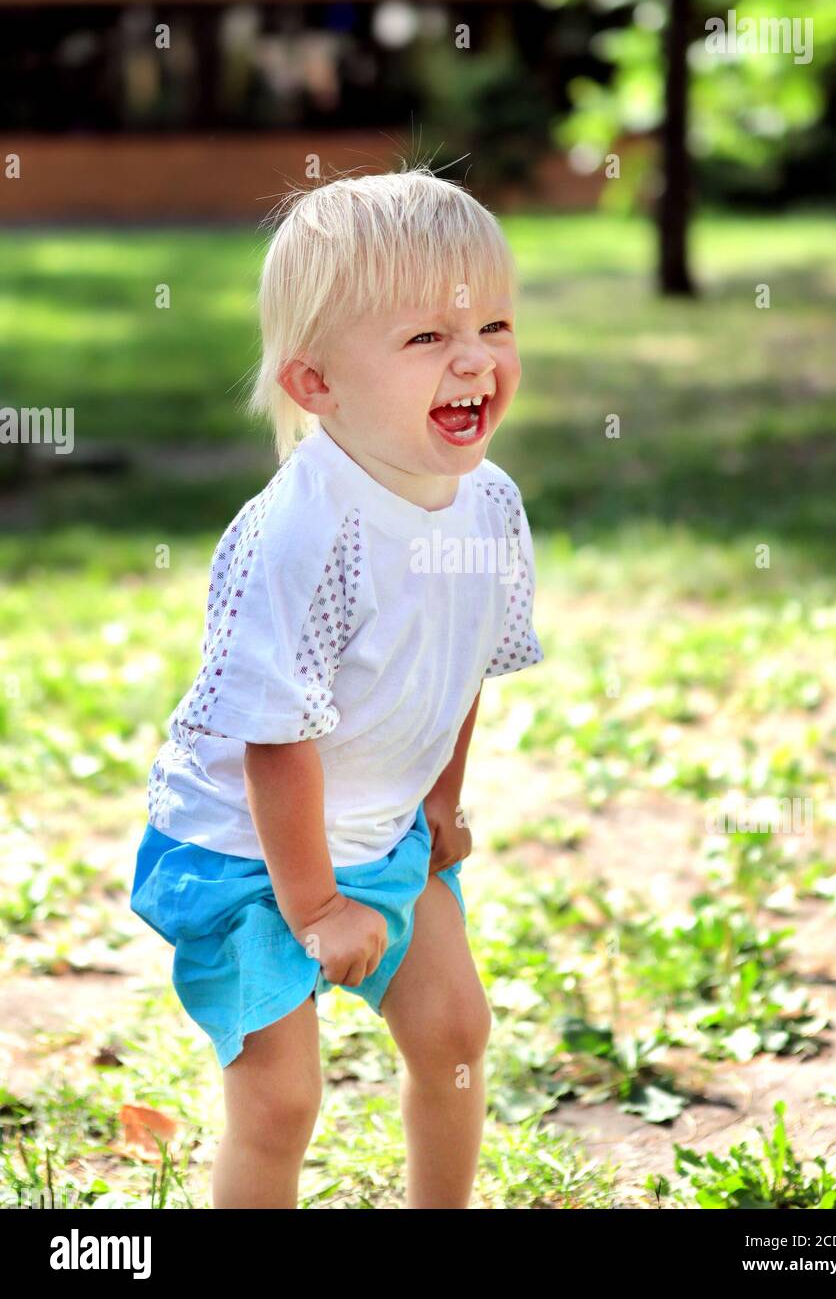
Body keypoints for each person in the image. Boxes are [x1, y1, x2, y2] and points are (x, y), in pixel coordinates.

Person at [129, 165, 544, 1209]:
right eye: (425, 339)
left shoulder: (488, 505)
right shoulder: (303, 532)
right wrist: (314, 907)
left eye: (492, 325)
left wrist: (441, 804)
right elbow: (273, 737)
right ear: (316, 385)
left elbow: (466, 664)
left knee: (455, 1032)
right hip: (244, 849)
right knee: (280, 1100)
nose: (473, 361)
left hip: (381, 828)